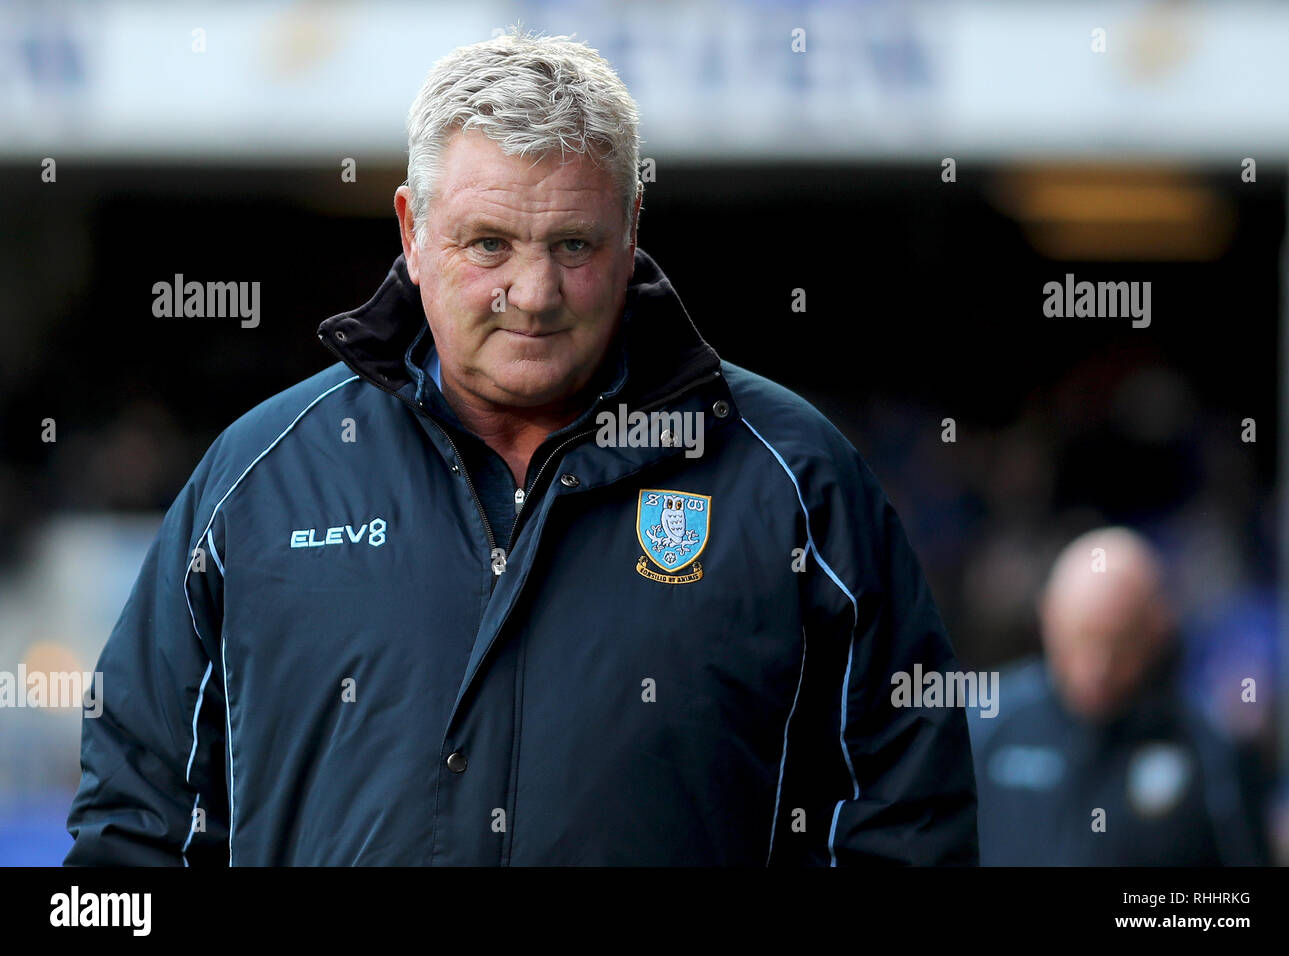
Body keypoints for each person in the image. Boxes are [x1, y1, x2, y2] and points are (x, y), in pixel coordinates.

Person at [65, 28, 976, 866]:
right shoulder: (259, 480)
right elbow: (136, 825)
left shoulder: (794, 479)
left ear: (630, 237)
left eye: (573, 244)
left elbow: (905, 821)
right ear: (411, 233)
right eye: (489, 244)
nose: (534, 292)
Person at [968, 527, 1270, 865]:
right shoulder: (985, 725)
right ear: (1048, 618)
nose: (1097, 668)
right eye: (1080, 640)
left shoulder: (1211, 749)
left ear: (1157, 628)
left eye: (1120, 644)